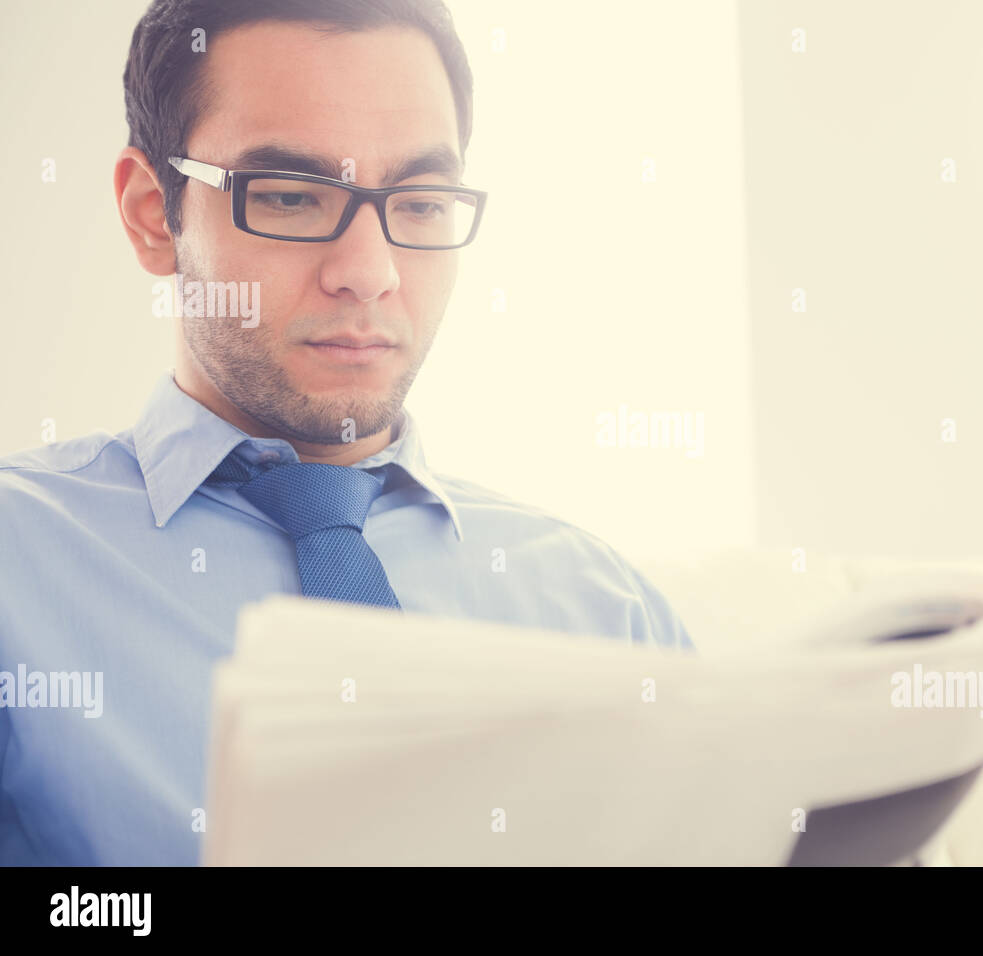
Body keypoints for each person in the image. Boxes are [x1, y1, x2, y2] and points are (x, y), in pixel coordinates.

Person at [0, 0, 693, 866]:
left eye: (422, 203)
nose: (369, 274)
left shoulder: (608, 614)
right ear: (152, 213)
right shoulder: (16, 569)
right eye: (290, 196)